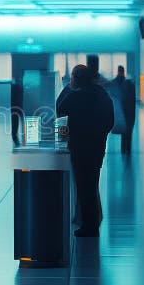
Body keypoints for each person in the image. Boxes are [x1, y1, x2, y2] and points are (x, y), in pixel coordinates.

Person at [56, 64, 114, 237]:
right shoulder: (101, 93)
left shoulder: (73, 97)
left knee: (84, 187)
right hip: (96, 146)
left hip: (79, 147)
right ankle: (93, 221)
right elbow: (109, 120)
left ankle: (89, 226)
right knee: (92, 183)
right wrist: (100, 135)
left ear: (75, 79)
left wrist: (68, 87)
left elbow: (60, 108)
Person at [112, 66, 136, 153]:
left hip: (120, 110)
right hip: (129, 111)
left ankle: (123, 149)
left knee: (124, 130)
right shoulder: (129, 84)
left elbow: (113, 96)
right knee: (128, 130)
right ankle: (128, 148)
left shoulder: (115, 82)